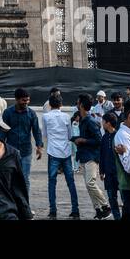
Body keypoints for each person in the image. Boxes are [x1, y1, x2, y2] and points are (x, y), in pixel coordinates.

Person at [73, 93, 111, 219]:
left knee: (90, 183)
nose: (77, 105)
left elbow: (99, 140)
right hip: (84, 155)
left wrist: (83, 141)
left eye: (78, 103)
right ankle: (98, 209)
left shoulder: (90, 121)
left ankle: (106, 206)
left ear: (82, 105)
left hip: (92, 156)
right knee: (88, 185)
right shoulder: (83, 120)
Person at [42, 91, 79, 219]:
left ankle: (53, 211)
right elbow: (69, 136)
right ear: (61, 104)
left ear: (50, 104)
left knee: (52, 182)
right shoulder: (66, 117)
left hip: (53, 152)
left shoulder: (45, 117)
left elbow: (45, 135)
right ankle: (76, 210)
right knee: (71, 182)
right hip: (66, 152)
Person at [1, 88, 44, 184]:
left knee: (25, 179)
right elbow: (3, 132)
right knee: (10, 179)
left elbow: (36, 131)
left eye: (28, 100)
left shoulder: (32, 114)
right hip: (10, 151)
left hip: (26, 151)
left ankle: (24, 199)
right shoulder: (7, 113)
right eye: (24, 100)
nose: (26, 102)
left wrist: (39, 146)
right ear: (16, 99)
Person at [98, 110, 121, 219]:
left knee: (125, 198)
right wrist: (101, 171)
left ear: (108, 123)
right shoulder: (104, 138)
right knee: (112, 198)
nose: (102, 123)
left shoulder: (119, 136)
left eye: (103, 121)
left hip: (119, 173)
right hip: (108, 173)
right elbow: (102, 156)